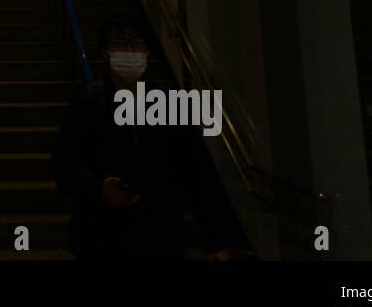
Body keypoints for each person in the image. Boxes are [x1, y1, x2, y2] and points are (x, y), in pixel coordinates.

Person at [50, 15, 234, 261]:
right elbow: (62, 164)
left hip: (158, 235)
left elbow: (196, 172)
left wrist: (215, 239)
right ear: (106, 52)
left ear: (147, 49)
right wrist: (98, 187)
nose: (128, 51)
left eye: (135, 43)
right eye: (119, 43)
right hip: (100, 236)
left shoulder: (171, 104)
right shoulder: (88, 103)